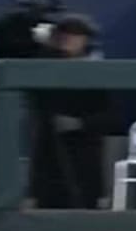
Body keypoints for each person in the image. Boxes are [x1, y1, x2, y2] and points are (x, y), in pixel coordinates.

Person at [27, 15, 107, 209]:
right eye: (64, 34)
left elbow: (112, 118)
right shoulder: (43, 64)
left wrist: (79, 123)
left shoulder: (97, 71)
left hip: (84, 152)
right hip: (49, 152)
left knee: (84, 205)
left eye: (75, 35)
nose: (68, 40)